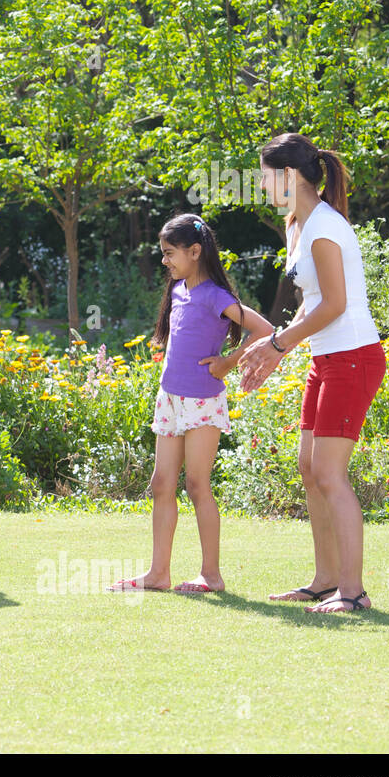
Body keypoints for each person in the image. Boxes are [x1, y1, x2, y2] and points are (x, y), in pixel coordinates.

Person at [240, 134, 385, 614]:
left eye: (264, 175)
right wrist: (276, 343)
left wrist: (279, 344)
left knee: (328, 473)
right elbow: (312, 301)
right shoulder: (296, 225)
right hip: (327, 358)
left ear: (289, 177)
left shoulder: (324, 227)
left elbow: (339, 305)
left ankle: (353, 591)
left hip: (354, 357)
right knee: (309, 468)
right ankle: (325, 581)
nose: (260, 184)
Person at [108, 214, 271, 594]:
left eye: (169, 253)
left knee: (198, 485)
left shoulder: (216, 295)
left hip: (203, 402)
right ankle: (158, 574)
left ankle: (211, 575)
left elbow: (264, 330)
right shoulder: (179, 291)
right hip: (170, 400)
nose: (164, 261)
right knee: (161, 483)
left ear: (194, 251)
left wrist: (229, 362)